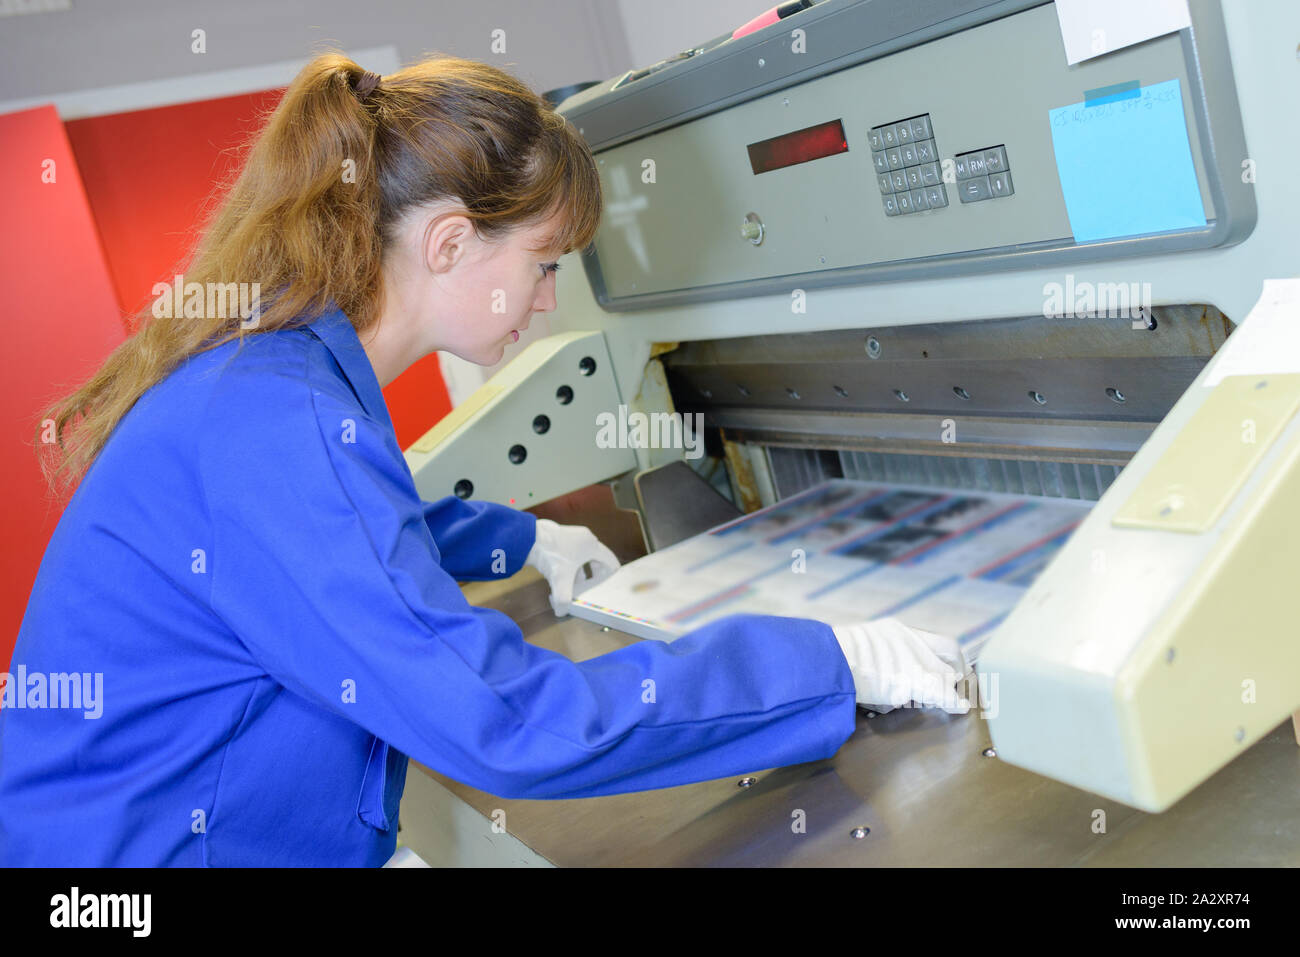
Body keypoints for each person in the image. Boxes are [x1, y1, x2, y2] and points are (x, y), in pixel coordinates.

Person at [0, 53, 969, 867]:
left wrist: (524, 539)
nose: (548, 300)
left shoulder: (270, 372)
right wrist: (823, 663)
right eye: (544, 263)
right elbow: (500, 722)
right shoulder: (271, 415)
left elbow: (350, 536)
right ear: (452, 242)